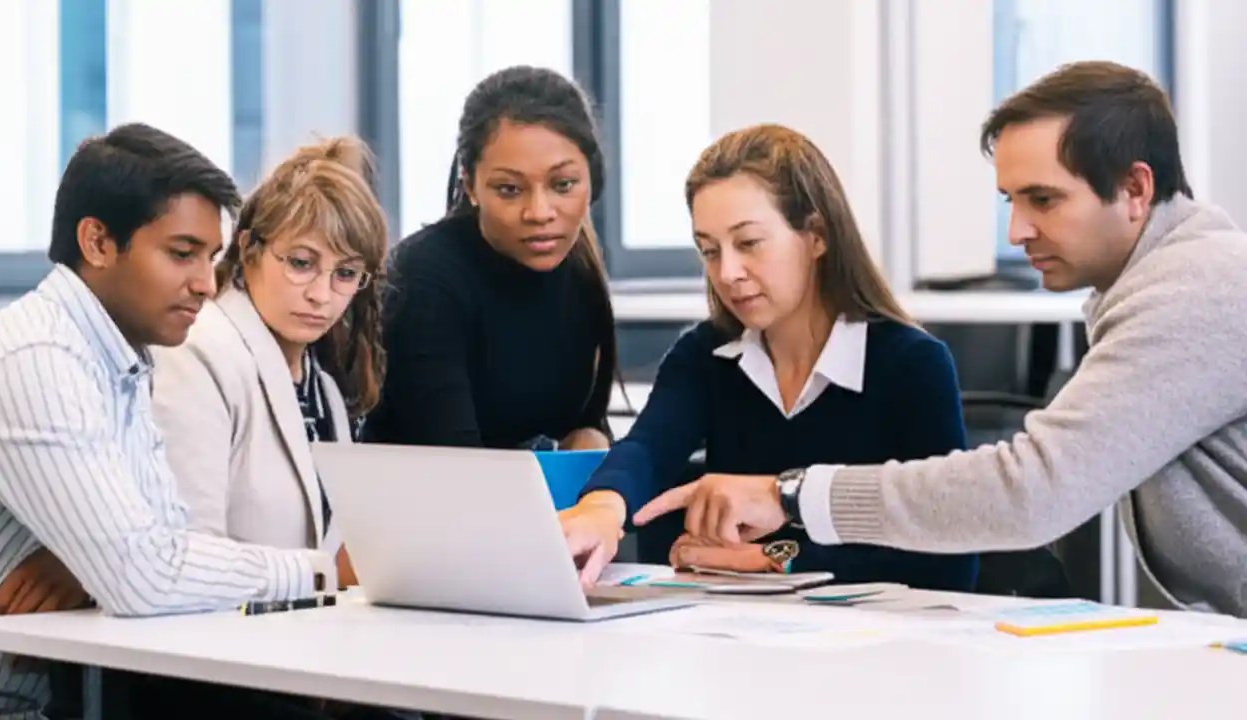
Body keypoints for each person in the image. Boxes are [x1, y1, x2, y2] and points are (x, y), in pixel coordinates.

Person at [631, 61, 1247, 618]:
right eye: (1010, 200)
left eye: (1044, 199)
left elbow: (1033, 489)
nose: (1016, 231)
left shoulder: (1195, 289)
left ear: (1136, 190)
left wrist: (787, 496)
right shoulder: (1155, 285)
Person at [0, 123, 333, 718]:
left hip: (74, 695)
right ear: (97, 243)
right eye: (181, 253)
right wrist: (319, 573)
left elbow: (158, 545)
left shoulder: (120, 359)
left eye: (211, 258)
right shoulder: (36, 358)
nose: (205, 284)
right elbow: (149, 575)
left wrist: (90, 568)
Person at [560, 124, 978, 591]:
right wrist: (603, 505)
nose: (728, 273)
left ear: (816, 236)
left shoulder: (912, 366)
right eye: (710, 251)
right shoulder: (705, 356)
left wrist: (771, 559)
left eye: (749, 243)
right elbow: (647, 449)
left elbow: (950, 559)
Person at [150, 136, 387, 595]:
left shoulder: (325, 392)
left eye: (345, 274)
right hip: (208, 646)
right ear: (249, 248)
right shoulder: (199, 353)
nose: (321, 294)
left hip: (293, 640)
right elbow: (189, 552)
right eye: (301, 263)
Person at [360, 65, 618, 452]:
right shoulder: (424, 280)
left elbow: (584, 424)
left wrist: (590, 441)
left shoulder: (579, 270)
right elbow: (459, 469)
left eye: (563, 185)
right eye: (510, 189)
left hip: (531, 503)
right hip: (432, 503)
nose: (539, 212)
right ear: (471, 186)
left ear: (592, 180)